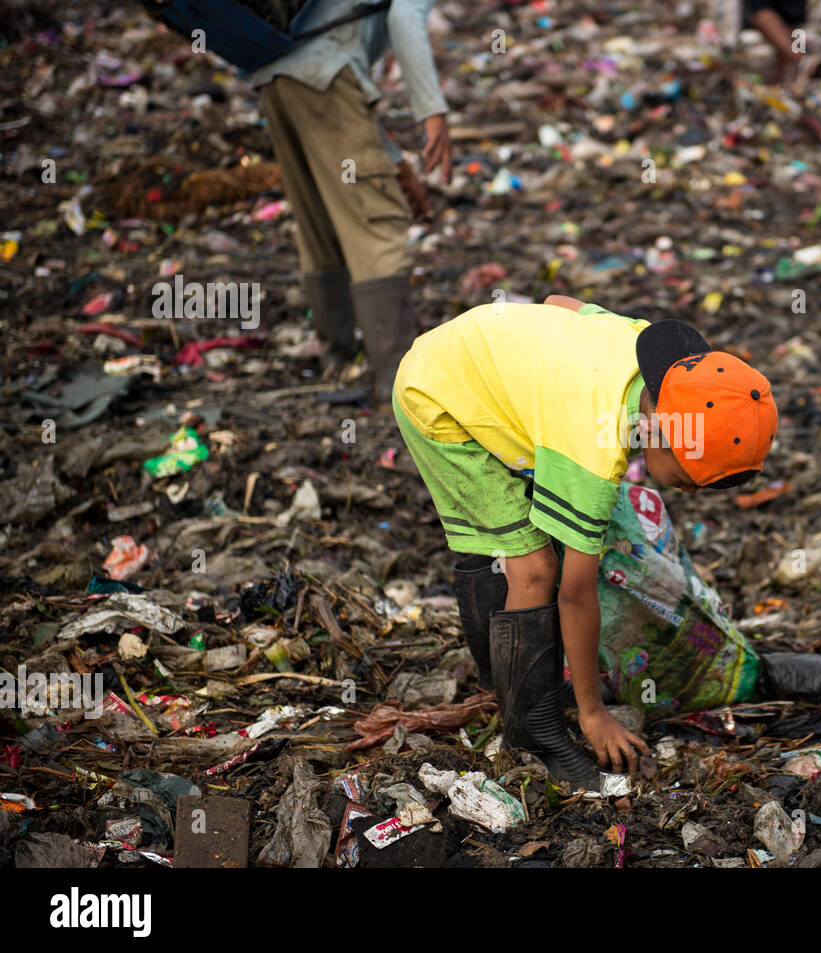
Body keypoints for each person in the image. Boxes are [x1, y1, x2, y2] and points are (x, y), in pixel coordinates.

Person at [390, 296, 779, 787]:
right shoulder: (591, 456)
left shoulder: (638, 347)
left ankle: (500, 680)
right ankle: (534, 730)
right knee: (534, 568)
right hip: (435, 398)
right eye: (687, 479)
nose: (692, 491)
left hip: (465, 352)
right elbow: (575, 593)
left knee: (510, 543)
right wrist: (593, 713)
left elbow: (558, 303)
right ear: (654, 428)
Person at [250, 0, 453, 401]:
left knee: (320, 223)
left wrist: (396, 164)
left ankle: (338, 363)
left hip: (276, 77)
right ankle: (401, 387)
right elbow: (403, 17)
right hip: (325, 73)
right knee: (376, 228)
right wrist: (433, 112)